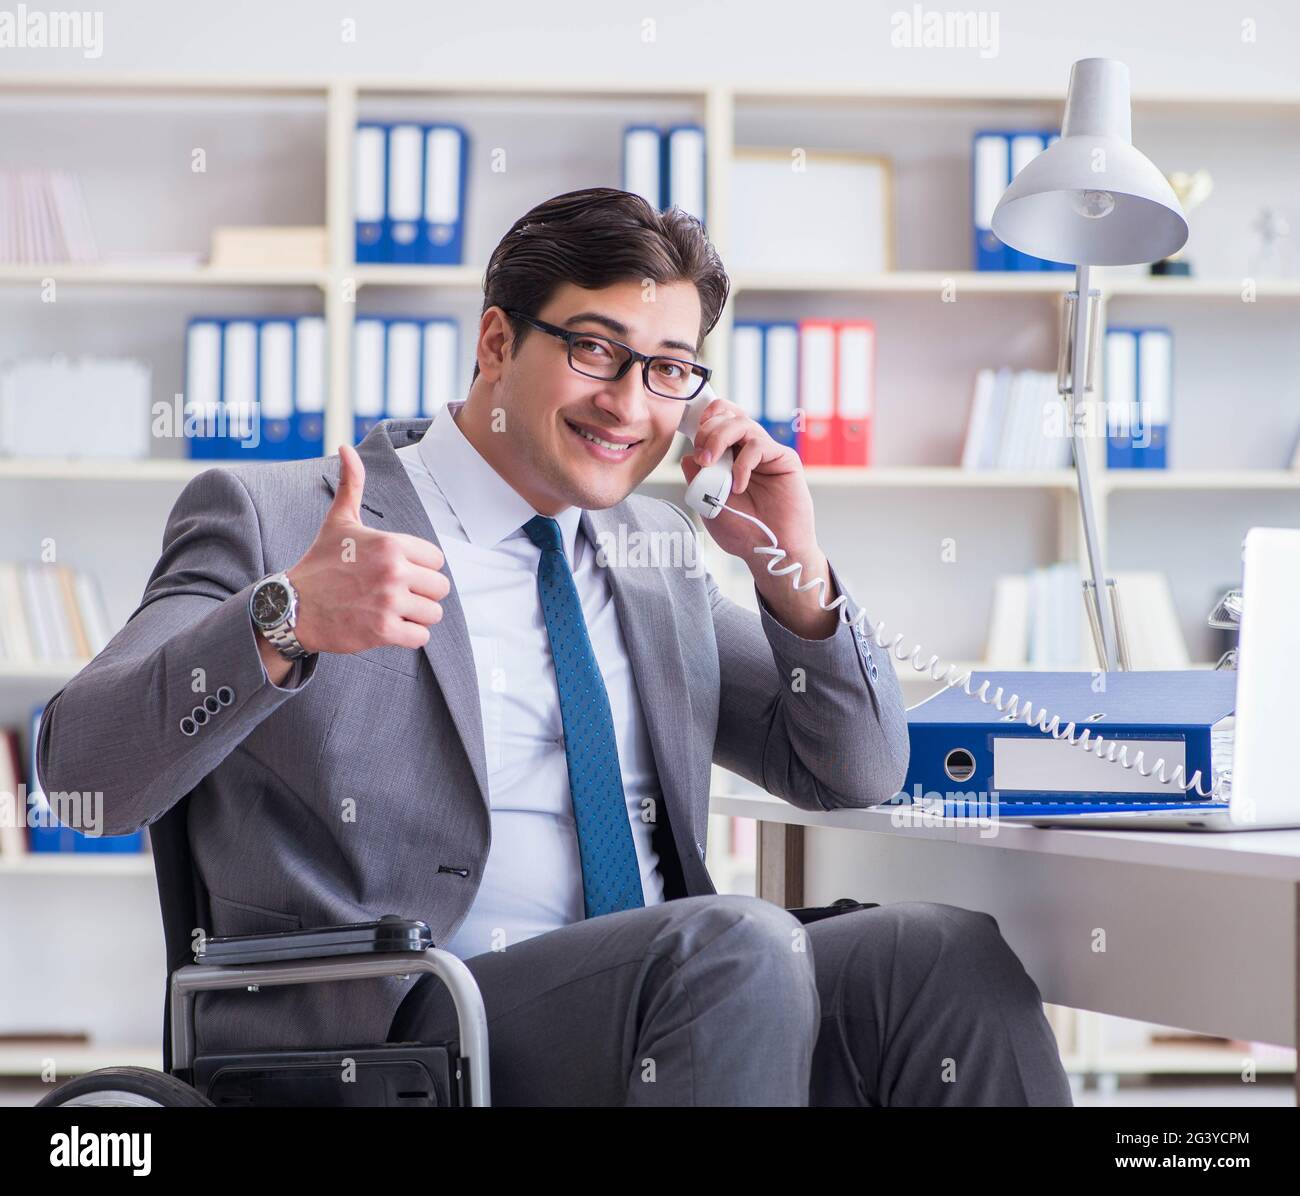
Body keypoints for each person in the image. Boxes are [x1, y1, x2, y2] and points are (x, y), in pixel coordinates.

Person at [38, 186, 1072, 1106]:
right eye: (593, 349)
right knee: (732, 940)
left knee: (942, 951)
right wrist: (282, 619)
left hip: (679, 991)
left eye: (667, 368)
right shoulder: (280, 518)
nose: (628, 404)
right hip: (396, 1030)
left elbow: (851, 767)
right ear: (496, 341)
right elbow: (78, 770)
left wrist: (788, 569)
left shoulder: (655, 551)